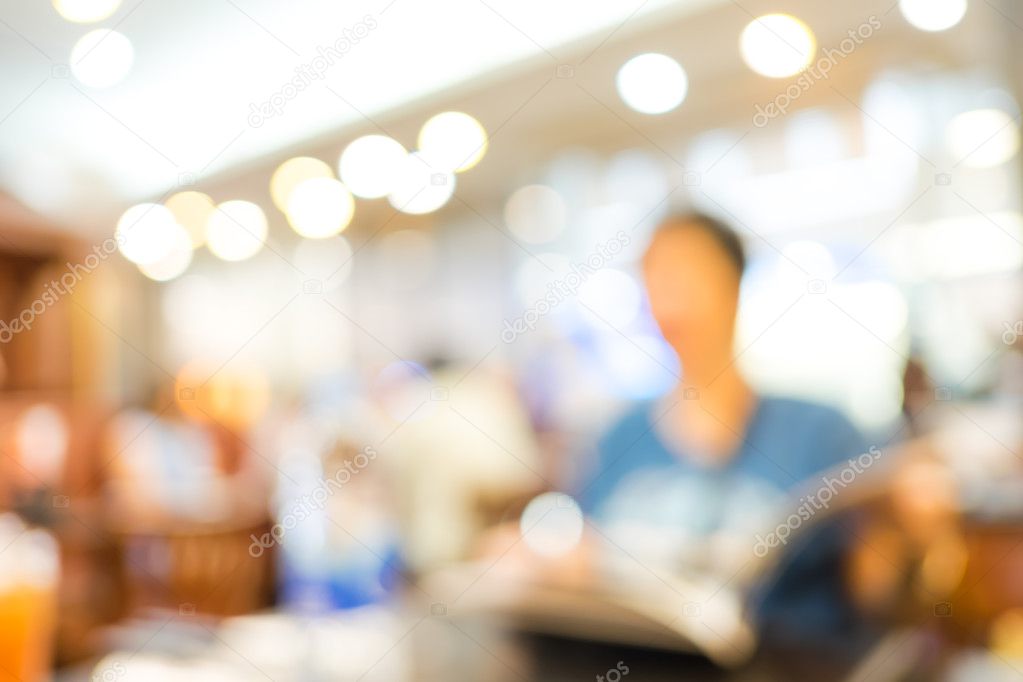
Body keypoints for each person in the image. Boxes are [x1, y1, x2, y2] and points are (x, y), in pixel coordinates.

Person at [578, 212, 873, 652]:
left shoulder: (820, 432)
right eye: (655, 278)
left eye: (688, 274)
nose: (670, 300)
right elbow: (588, 565)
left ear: (734, 284)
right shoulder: (619, 437)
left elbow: (875, 592)